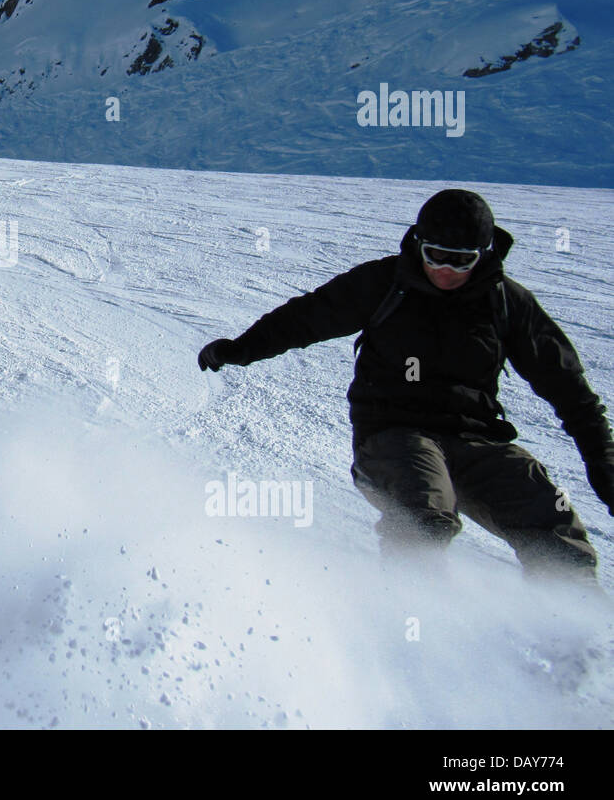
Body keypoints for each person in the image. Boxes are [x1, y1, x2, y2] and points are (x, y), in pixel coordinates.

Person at [197, 189, 614, 581]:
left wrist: (602, 459)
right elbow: (307, 317)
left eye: (461, 261)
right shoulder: (384, 284)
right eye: (435, 256)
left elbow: (567, 386)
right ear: (418, 244)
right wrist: (241, 349)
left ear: (483, 256)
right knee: (424, 508)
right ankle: (413, 617)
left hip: (476, 439)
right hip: (391, 436)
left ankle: (577, 638)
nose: (445, 271)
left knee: (547, 514)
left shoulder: (506, 303)